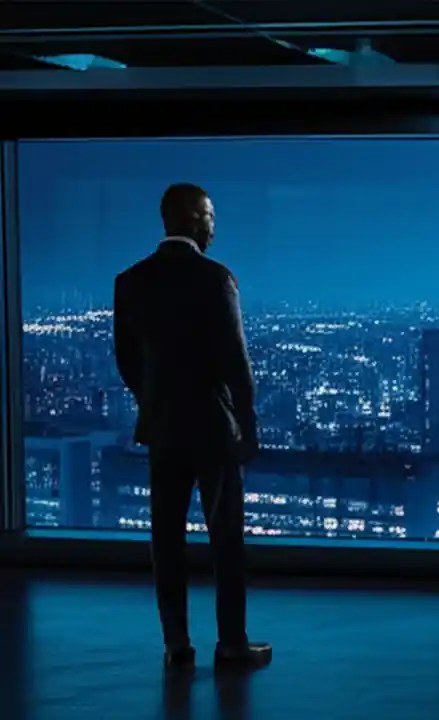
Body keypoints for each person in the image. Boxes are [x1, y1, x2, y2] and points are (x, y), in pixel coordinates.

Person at [113, 183, 271, 670]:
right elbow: (235, 363)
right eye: (209, 215)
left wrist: (154, 401)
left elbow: (126, 360)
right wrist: (246, 424)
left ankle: (176, 643)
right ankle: (231, 643)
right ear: (189, 219)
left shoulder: (131, 281)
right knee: (226, 538)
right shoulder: (216, 279)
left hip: (162, 428)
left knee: (166, 539)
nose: (213, 224)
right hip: (213, 427)